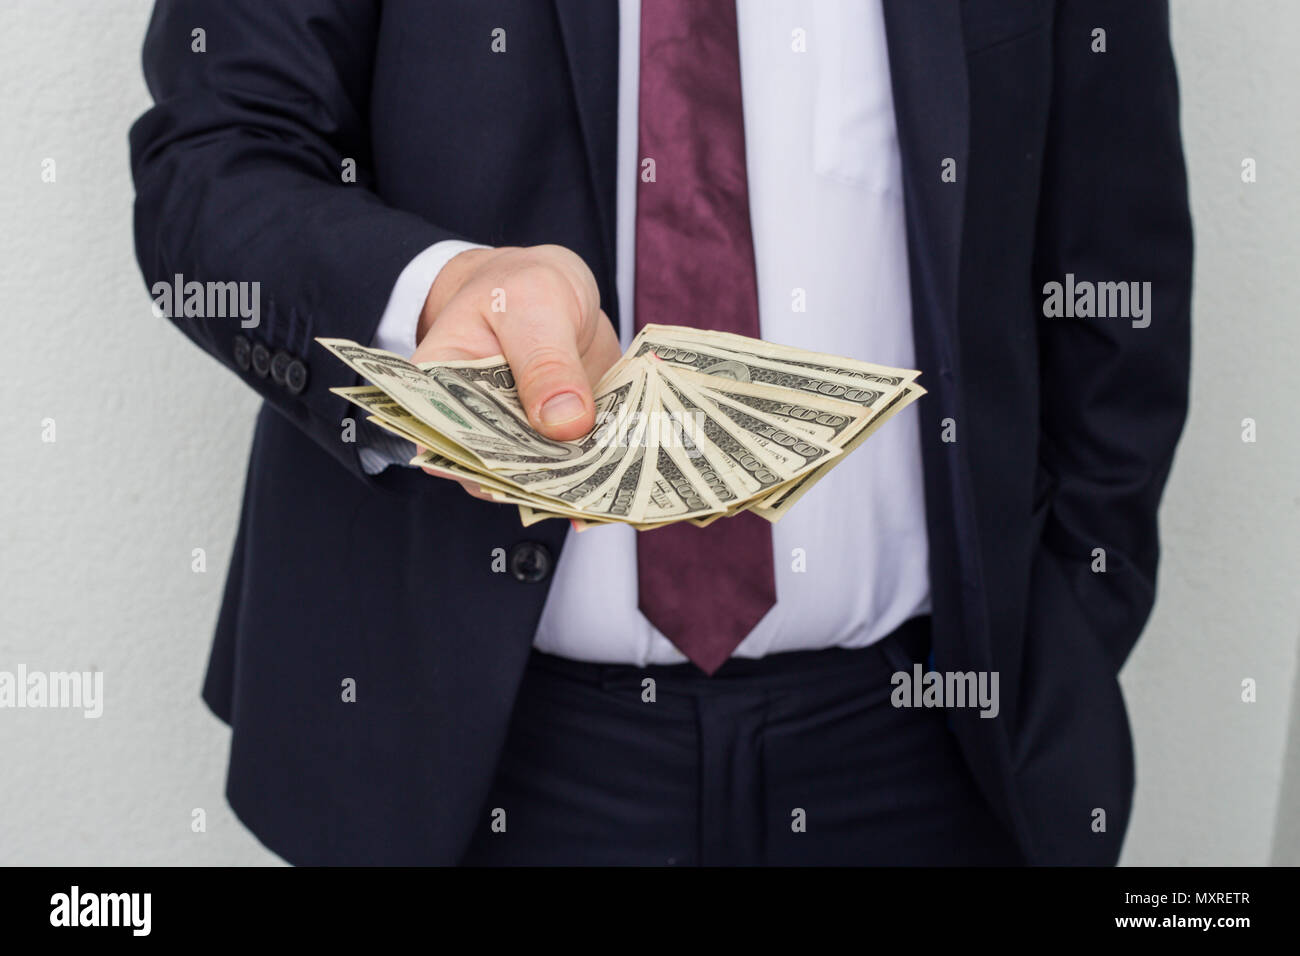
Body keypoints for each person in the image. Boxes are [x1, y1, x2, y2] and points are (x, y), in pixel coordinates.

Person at [129, 0, 1192, 865]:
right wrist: (436, 293)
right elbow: (214, 159)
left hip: (929, 750)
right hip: (476, 754)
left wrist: (1072, 615)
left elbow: (1112, 246)